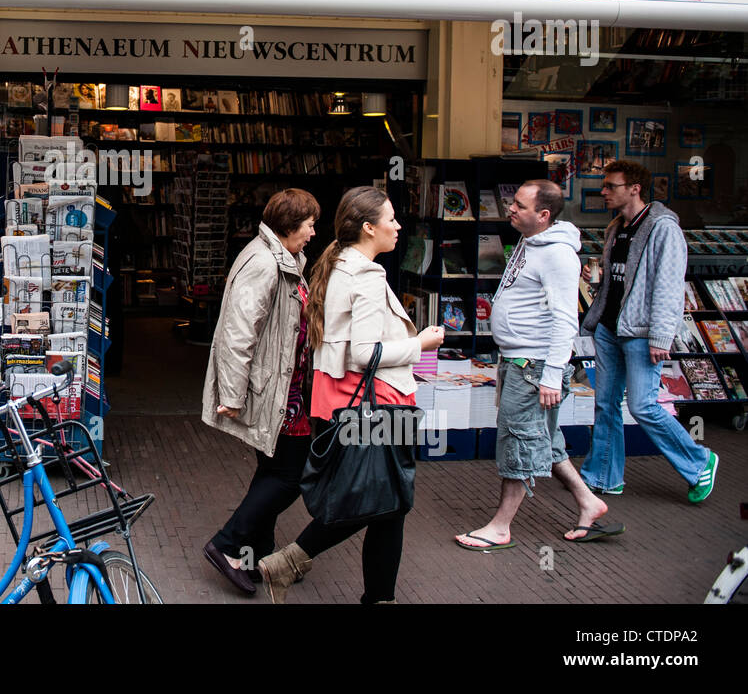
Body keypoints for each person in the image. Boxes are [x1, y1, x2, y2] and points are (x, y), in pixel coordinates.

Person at [258, 187, 445, 604]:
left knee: (383, 503)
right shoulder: (367, 275)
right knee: (386, 502)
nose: (398, 226)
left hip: (337, 402)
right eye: (391, 219)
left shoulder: (335, 264)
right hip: (373, 407)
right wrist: (422, 345)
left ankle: (372, 594)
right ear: (368, 227)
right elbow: (364, 354)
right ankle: (293, 561)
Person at [455, 180, 616, 552]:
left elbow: (565, 320)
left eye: (520, 206)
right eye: (513, 202)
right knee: (541, 438)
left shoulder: (558, 256)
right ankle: (589, 502)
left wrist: (550, 376)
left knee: (518, 439)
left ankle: (500, 527)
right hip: (521, 361)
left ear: (543, 215)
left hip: (534, 366)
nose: (511, 208)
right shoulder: (532, 241)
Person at [201, 188, 320, 596]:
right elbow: (238, 331)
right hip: (275, 394)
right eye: (309, 225)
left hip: (286, 390)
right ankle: (227, 544)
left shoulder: (285, 260)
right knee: (292, 475)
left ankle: (256, 557)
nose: (313, 233)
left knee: (273, 472)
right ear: (289, 226)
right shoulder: (264, 263)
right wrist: (232, 395)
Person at [580, 161, 717, 503]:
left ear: (635, 188)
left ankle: (699, 461)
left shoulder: (663, 228)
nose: (604, 191)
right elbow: (621, 280)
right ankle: (603, 476)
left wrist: (660, 337)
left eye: (611, 185)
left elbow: (670, 286)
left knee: (643, 406)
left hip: (641, 332)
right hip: (611, 329)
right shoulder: (616, 227)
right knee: (605, 404)